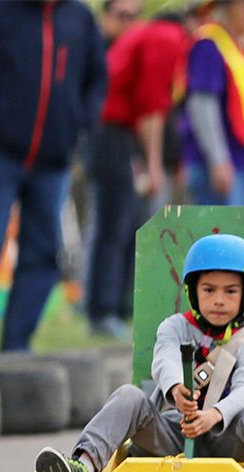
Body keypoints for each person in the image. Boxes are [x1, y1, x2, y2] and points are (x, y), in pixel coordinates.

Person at [34, 233, 244, 472]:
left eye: (230, 291)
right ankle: (81, 467)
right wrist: (175, 388)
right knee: (128, 395)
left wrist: (214, 414)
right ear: (194, 292)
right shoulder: (174, 327)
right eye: (209, 290)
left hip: (225, 440)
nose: (219, 300)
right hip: (171, 433)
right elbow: (164, 360)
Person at [0, 0, 107, 353]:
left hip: (54, 161)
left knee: (43, 253)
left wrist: (81, 121)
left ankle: (16, 344)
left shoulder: (80, 18)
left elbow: (97, 76)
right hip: (0, 153)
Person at [85, 8, 196, 339]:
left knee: (124, 224)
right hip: (112, 134)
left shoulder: (146, 34)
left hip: (115, 135)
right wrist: (153, 164)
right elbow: (151, 106)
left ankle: (116, 309)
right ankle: (102, 312)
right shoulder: (167, 38)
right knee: (114, 226)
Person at [180, 0, 244, 206]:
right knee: (217, 235)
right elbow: (202, 107)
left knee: (241, 236)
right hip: (218, 169)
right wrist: (218, 160)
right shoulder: (208, 45)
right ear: (225, 7)